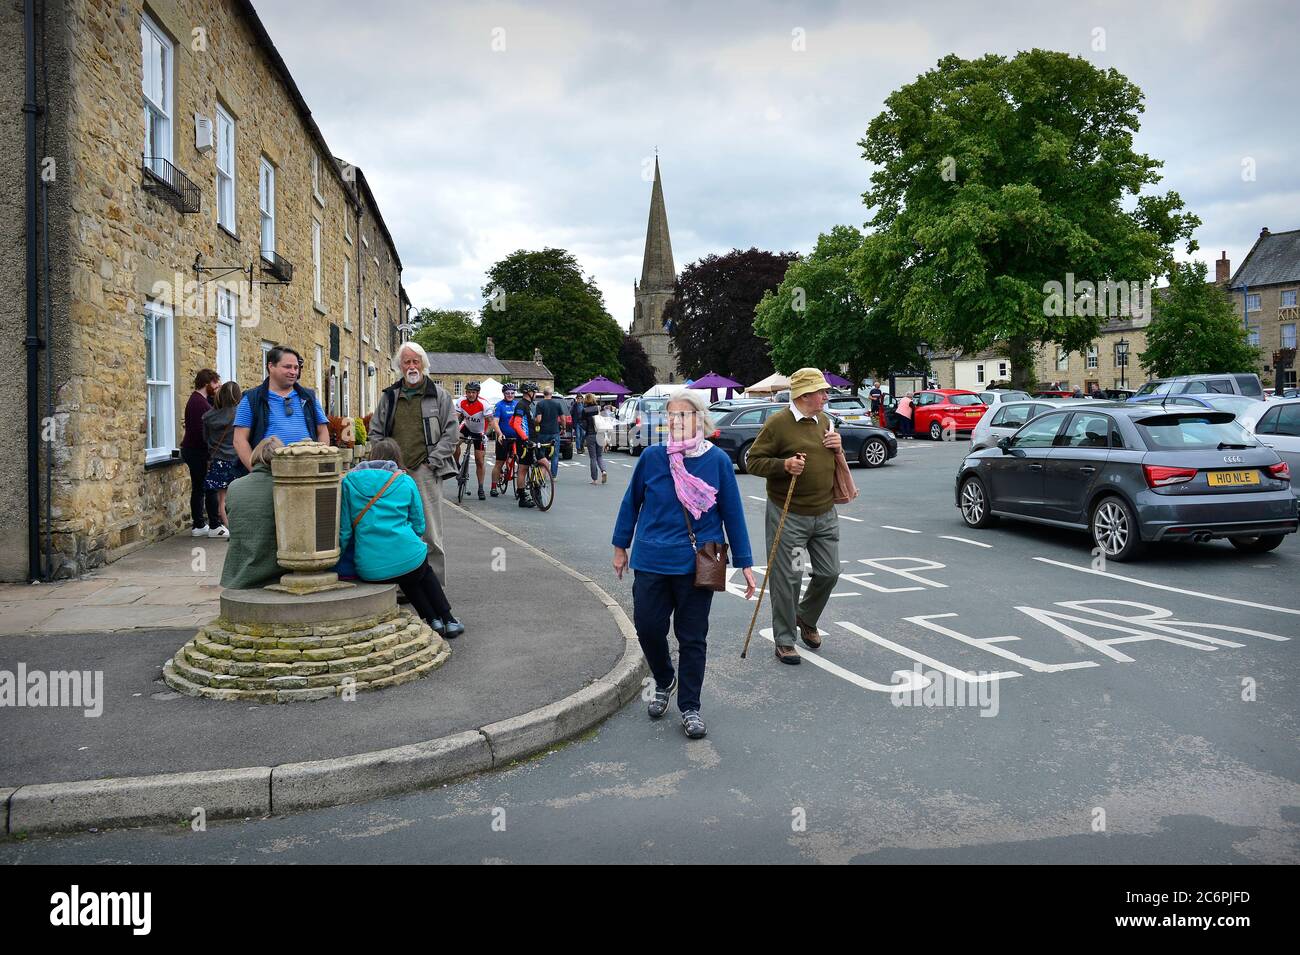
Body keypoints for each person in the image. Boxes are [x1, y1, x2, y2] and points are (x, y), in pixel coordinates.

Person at [612, 388, 756, 739]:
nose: (675, 421)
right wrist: (620, 546)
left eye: (683, 415)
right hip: (652, 556)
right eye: (670, 415)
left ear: (700, 419)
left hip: (700, 559)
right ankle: (665, 678)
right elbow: (631, 502)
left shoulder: (717, 461)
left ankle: (690, 706)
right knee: (647, 626)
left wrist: (745, 563)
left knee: (692, 638)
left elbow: (732, 514)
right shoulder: (652, 457)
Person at [744, 368, 844, 665]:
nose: (826, 396)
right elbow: (753, 461)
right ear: (804, 395)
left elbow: (829, 457)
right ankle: (785, 640)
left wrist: (838, 448)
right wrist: (784, 465)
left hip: (824, 514)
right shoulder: (778, 424)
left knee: (829, 573)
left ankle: (806, 616)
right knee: (789, 577)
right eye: (821, 392)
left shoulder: (824, 420)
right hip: (790, 516)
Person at [339, 438, 464, 638]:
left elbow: (345, 531)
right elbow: (419, 525)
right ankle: (447, 619)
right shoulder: (405, 481)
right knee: (417, 569)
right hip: (407, 558)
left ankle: (432, 620)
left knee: (407, 573)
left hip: (370, 567)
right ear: (397, 458)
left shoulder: (348, 483)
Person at [368, 341, 458, 584]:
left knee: (430, 532)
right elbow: (375, 432)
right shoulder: (389, 397)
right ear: (400, 366)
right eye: (406, 362)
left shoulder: (439, 396)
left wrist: (432, 462)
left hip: (425, 471)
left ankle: (434, 585)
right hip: (393, 473)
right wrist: (384, 463)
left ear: (423, 364)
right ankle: (402, 585)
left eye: (415, 361)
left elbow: (451, 434)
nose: (411, 366)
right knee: (397, 529)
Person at [232, 346, 329, 471]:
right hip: (268, 472)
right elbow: (239, 440)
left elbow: (323, 431)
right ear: (271, 366)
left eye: (296, 368)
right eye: (287, 367)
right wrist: (255, 471)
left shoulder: (308, 397)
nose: (293, 372)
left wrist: (320, 463)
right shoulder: (252, 399)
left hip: (307, 471)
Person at [220, 436, 284, 590]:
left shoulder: (234, 486)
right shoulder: (283, 488)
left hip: (237, 573)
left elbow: (230, 521)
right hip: (274, 572)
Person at [182, 369, 222, 537]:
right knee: (209, 487)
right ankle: (214, 526)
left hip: (193, 450)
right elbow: (202, 433)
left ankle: (199, 524)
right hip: (197, 452)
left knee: (199, 488)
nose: (218, 386)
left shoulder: (200, 400)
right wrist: (210, 454)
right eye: (215, 383)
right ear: (207, 384)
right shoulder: (199, 403)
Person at [203, 381, 245, 536]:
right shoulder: (241, 413)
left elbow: (205, 439)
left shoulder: (209, 416)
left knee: (223, 500)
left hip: (219, 460)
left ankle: (232, 531)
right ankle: (240, 529)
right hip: (238, 460)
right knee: (241, 497)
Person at [491, 382, 532, 507]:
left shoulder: (517, 405)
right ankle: (493, 486)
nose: (510, 395)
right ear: (504, 393)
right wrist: (499, 434)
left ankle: (519, 483)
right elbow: (495, 422)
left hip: (517, 438)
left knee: (520, 462)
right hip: (504, 438)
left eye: (512, 393)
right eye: (507, 393)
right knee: (499, 462)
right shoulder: (499, 406)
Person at [455, 381, 489, 500]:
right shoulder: (461, 401)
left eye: (473, 392)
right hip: (467, 428)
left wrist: (485, 434)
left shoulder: (484, 403)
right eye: (468, 392)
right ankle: (457, 465)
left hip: (479, 432)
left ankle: (480, 487)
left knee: (480, 461)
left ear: (477, 393)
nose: (470, 395)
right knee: (453, 442)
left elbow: (490, 421)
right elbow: (456, 417)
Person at [518, 383, 552, 485]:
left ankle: (537, 487)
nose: (536, 394)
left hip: (533, 440)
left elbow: (512, 421)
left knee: (545, 463)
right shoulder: (521, 405)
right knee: (523, 469)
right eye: (535, 392)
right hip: (526, 442)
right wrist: (524, 438)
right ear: (529, 393)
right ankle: (522, 496)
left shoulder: (528, 405)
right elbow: (515, 424)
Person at [535, 386, 565, 478]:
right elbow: (563, 418)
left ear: (543, 394)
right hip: (554, 431)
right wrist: (563, 428)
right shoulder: (557, 404)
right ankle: (553, 475)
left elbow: (538, 419)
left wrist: (535, 423)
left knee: (542, 452)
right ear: (551, 394)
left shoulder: (540, 404)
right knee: (555, 454)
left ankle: (542, 473)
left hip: (543, 432)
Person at [578, 393, 607, 484]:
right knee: (600, 456)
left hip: (590, 435)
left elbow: (582, 424)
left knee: (593, 458)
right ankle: (604, 471)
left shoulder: (584, 410)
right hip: (600, 434)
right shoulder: (599, 408)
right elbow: (604, 420)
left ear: (586, 400)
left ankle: (594, 479)